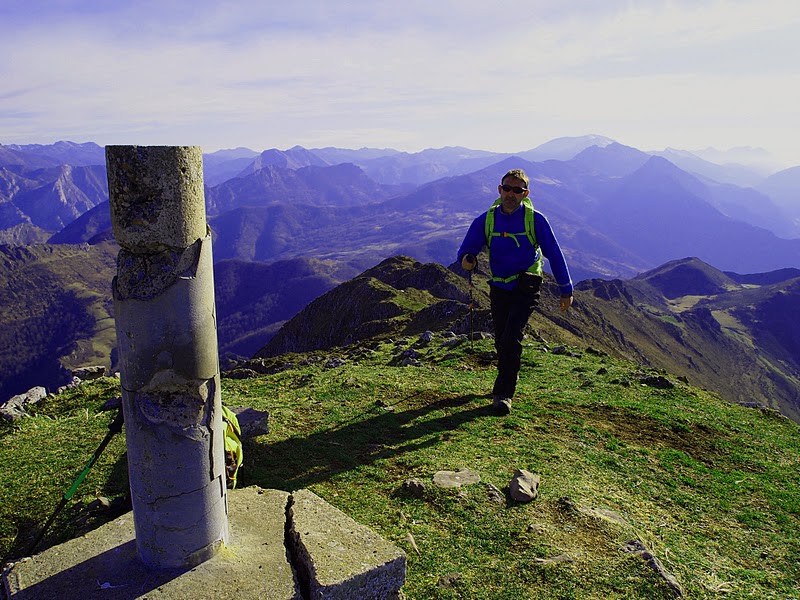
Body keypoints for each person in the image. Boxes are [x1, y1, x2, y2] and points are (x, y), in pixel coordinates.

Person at [457, 168, 573, 415]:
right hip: (499, 285)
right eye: (507, 188)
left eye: (517, 190)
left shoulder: (536, 220)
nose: (511, 194)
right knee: (501, 337)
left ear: (525, 193)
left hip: (527, 284)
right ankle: (509, 372)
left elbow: (554, 254)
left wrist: (566, 289)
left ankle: (503, 394)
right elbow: (467, 249)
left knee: (511, 335)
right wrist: (467, 259)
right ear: (500, 190)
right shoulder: (486, 220)